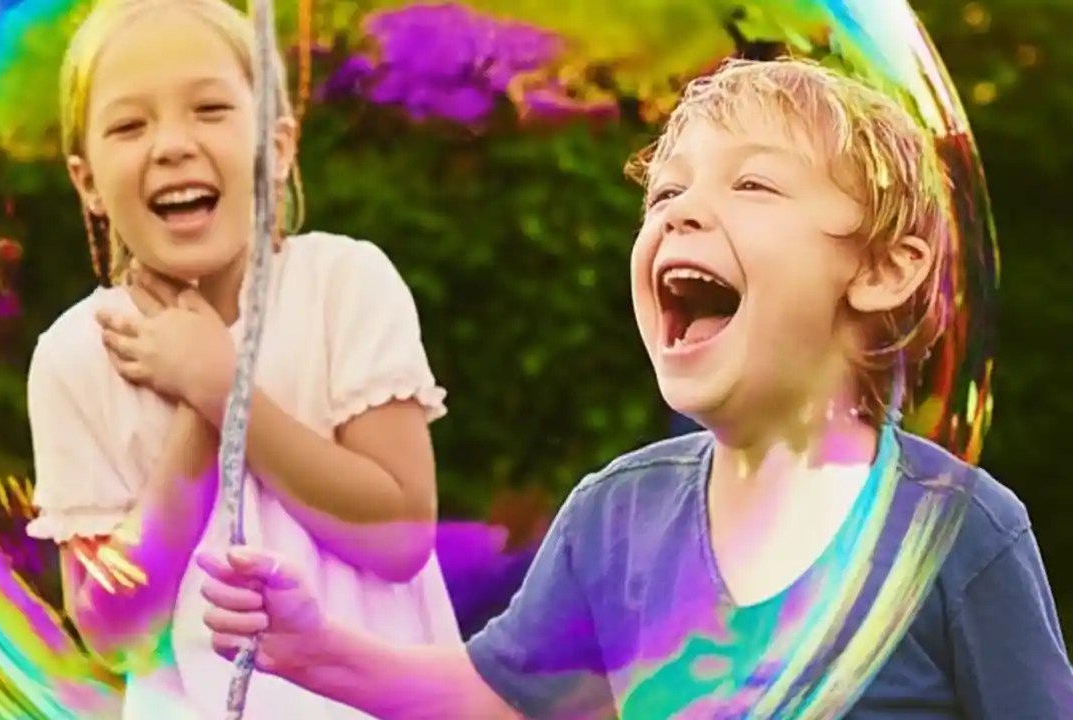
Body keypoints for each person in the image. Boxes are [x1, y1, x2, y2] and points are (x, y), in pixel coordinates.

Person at [196, 58, 1073, 718]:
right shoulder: (616, 516)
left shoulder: (961, 532)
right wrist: (312, 649)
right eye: (664, 195)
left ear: (884, 269)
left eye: (753, 183)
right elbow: (499, 700)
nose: (680, 212)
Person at [23, 0, 460, 717]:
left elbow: (401, 535)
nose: (172, 145)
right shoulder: (77, 357)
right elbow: (115, 631)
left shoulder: (342, 285)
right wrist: (202, 411)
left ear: (279, 146)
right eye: (130, 125)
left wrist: (226, 389)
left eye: (211, 109)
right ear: (87, 182)